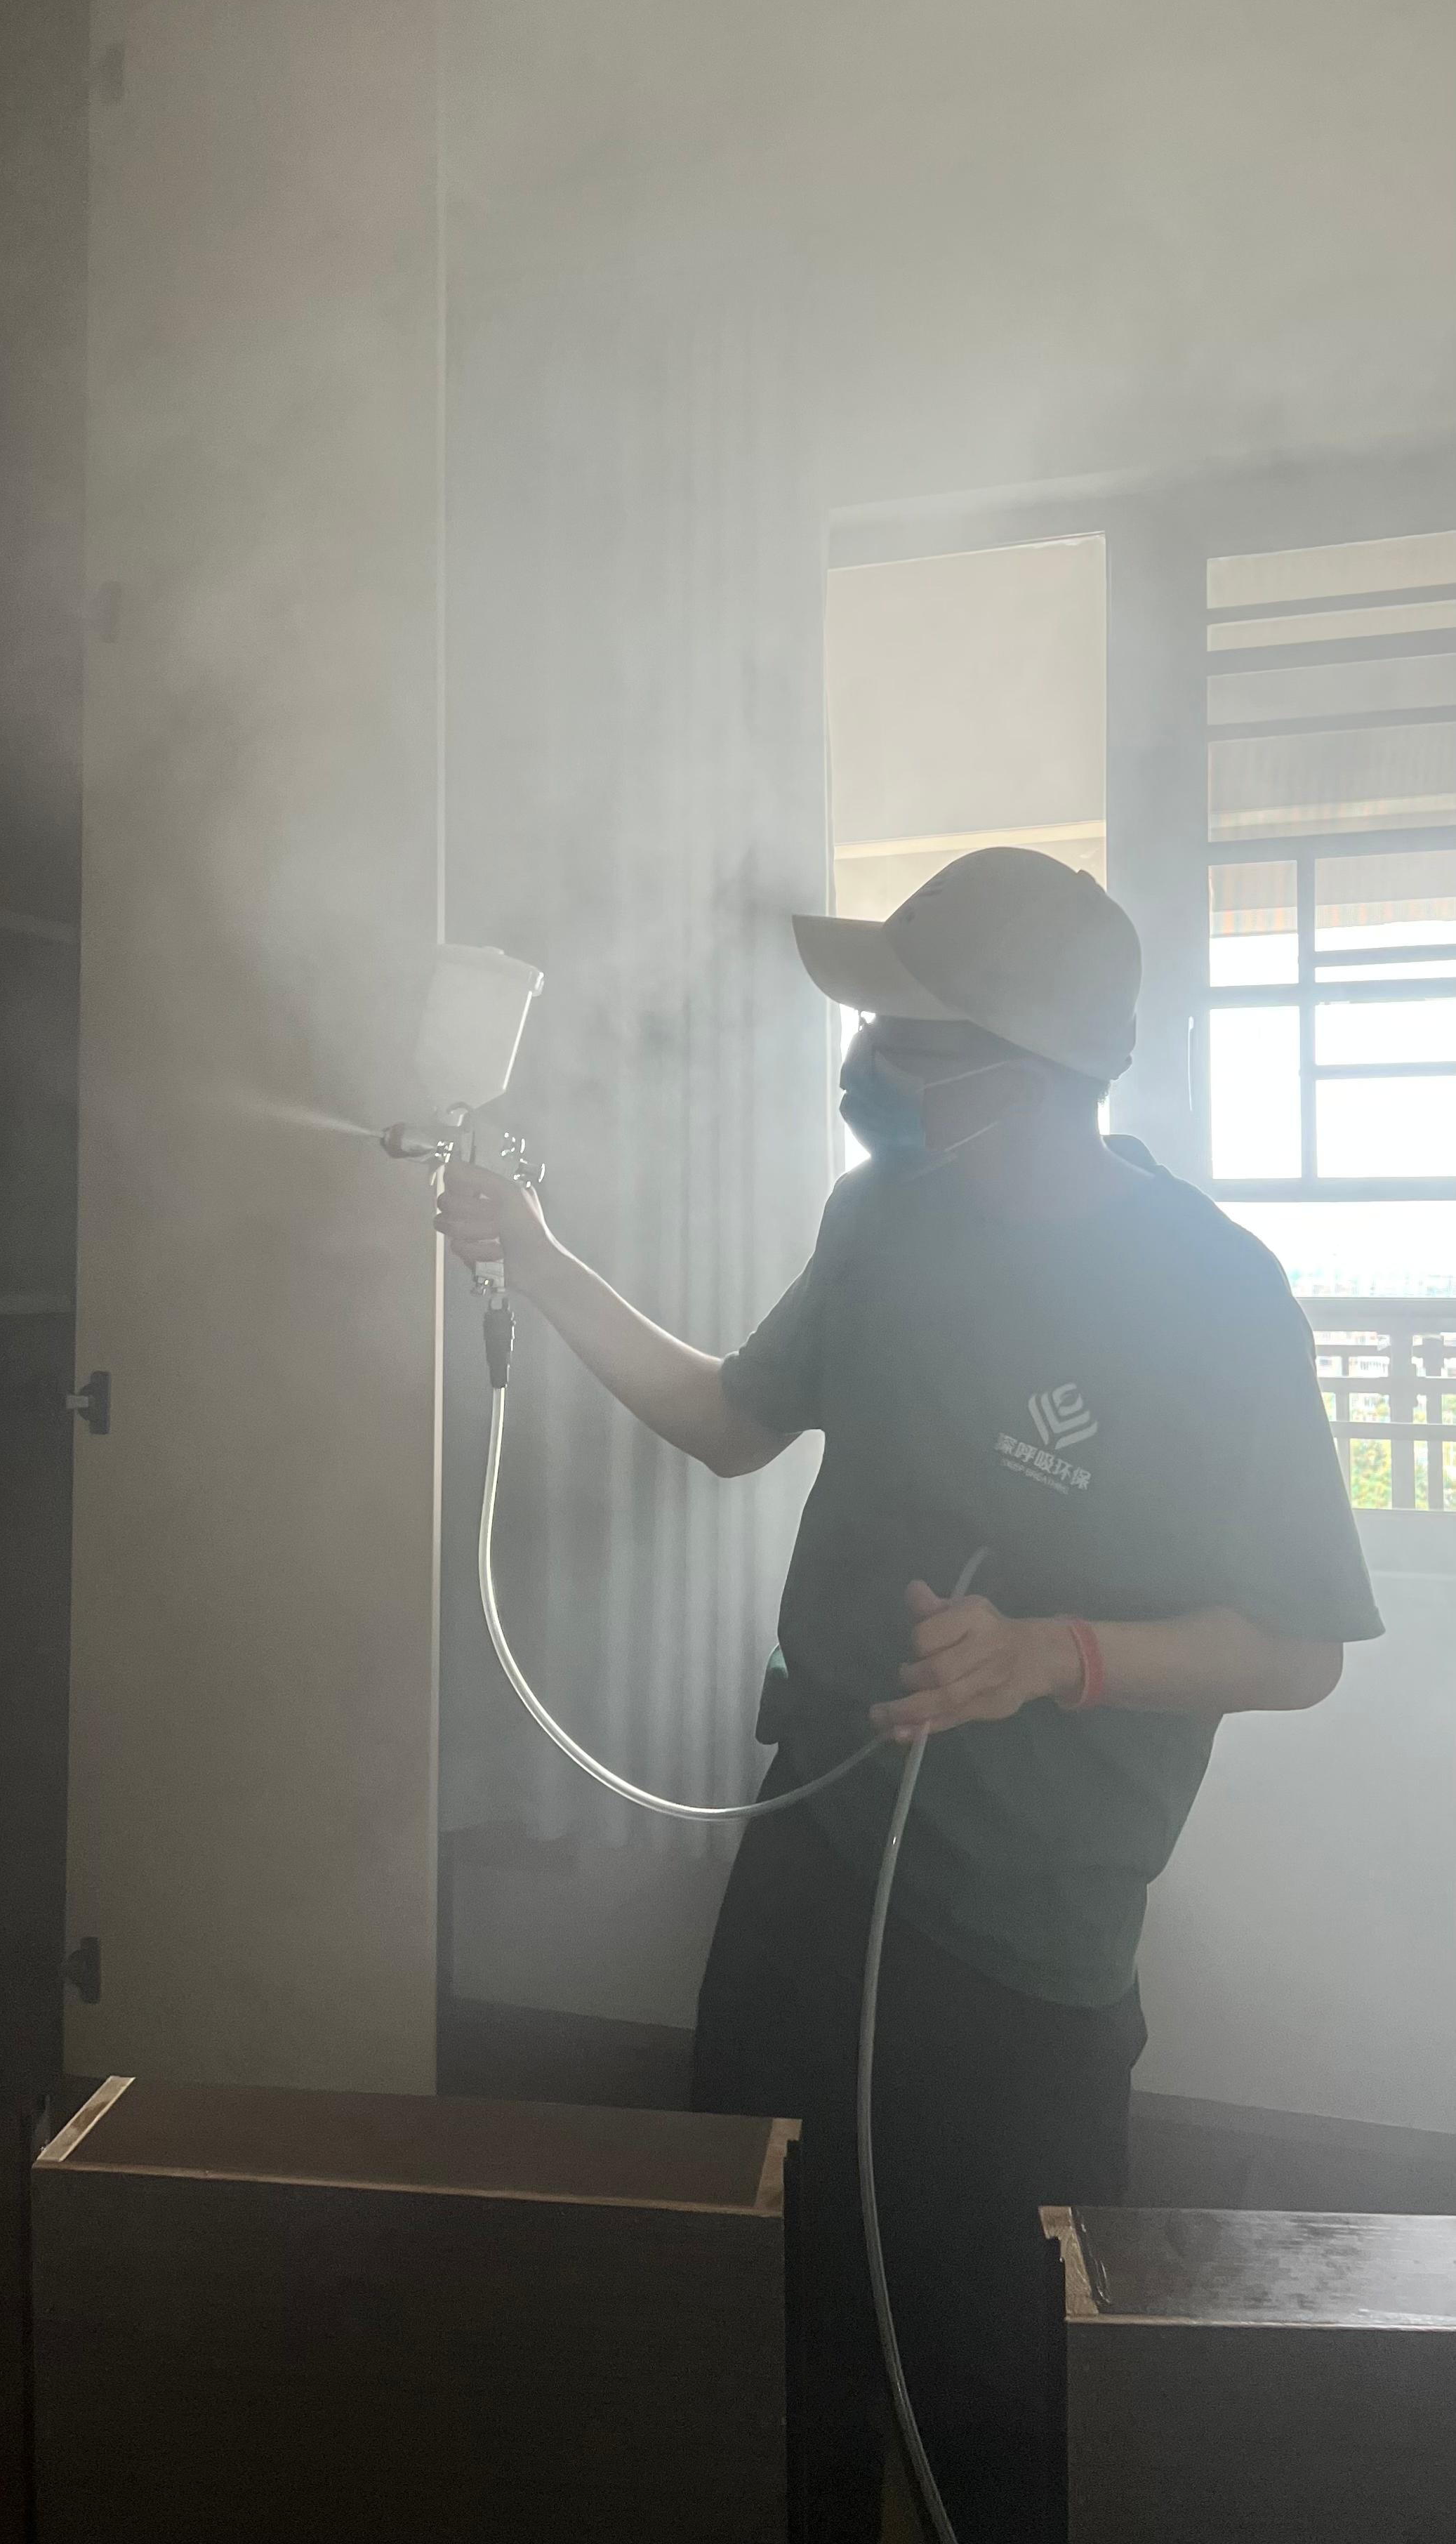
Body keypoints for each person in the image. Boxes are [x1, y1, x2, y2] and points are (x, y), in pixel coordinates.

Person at [437, 848, 1381, 2544]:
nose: (863, 1059)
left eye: (903, 1034)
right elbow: (730, 1421)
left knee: (992, 2379)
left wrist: (1057, 1657)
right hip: (817, 1851)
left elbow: (1296, 1648)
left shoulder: (1213, 1295)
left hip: (1028, 1924)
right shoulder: (881, 1219)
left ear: (1026, 1070)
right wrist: (539, 1255)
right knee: (769, 2298)